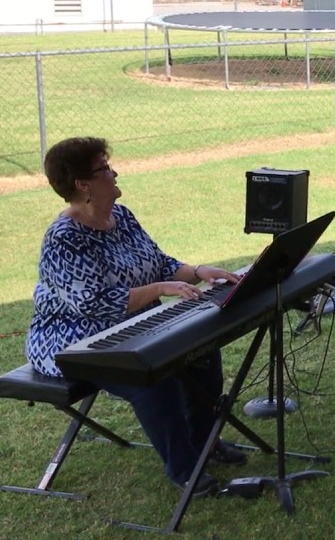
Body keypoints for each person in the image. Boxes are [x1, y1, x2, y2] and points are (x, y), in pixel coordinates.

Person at [25, 137, 244, 498]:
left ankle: (204, 442)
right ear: (83, 184)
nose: (114, 172)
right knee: (151, 378)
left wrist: (201, 271)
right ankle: (185, 469)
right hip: (75, 340)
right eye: (104, 168)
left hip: (135, 326)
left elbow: (161, 264)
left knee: (202, 352)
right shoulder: (63, 238)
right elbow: (93, 304)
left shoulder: (121, 217)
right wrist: (160, 288)